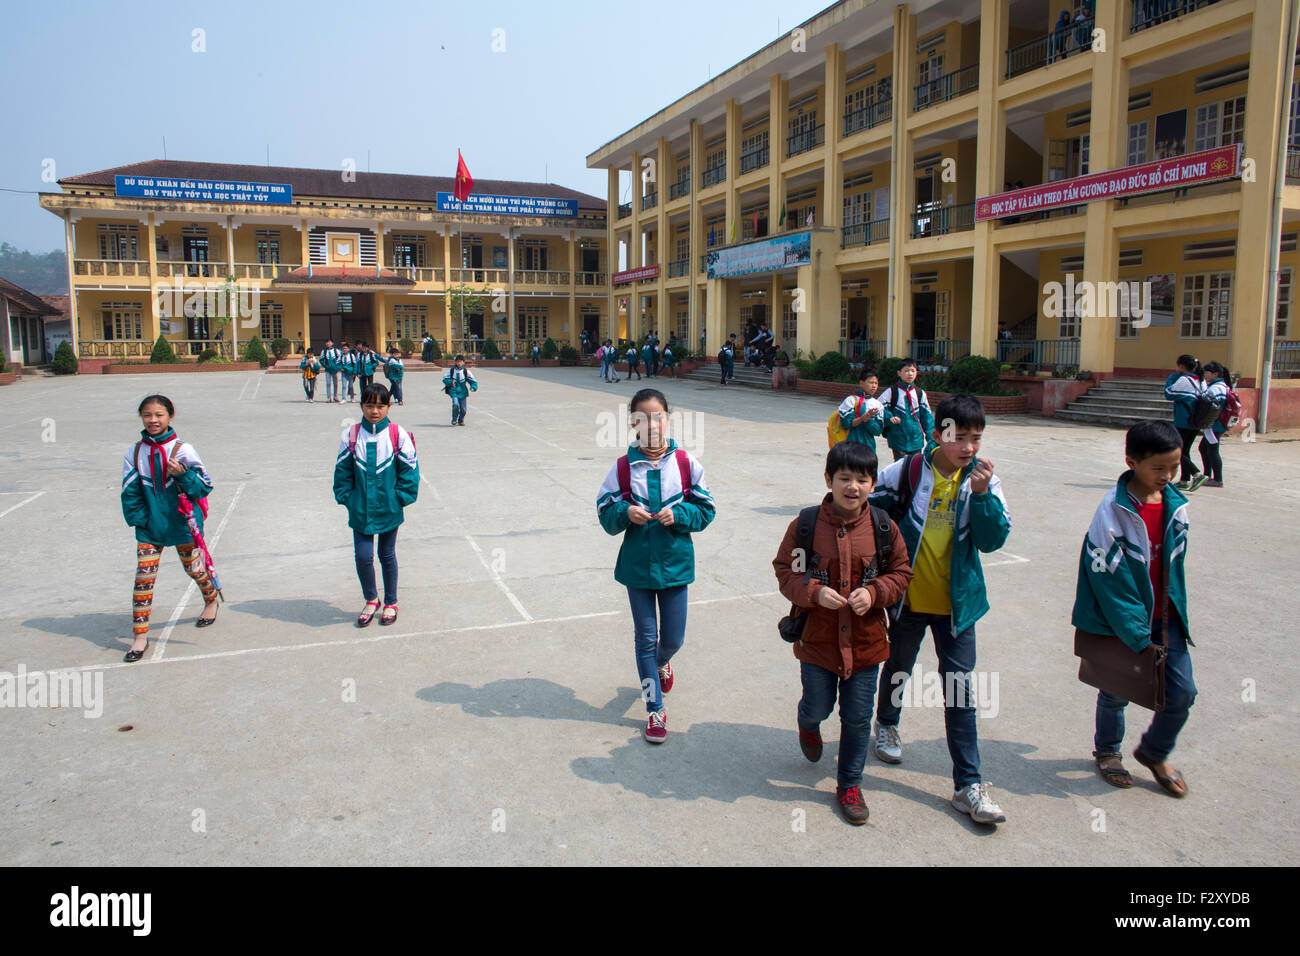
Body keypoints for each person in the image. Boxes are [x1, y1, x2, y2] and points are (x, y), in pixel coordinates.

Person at [869, 394, 1012, 825]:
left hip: (957, 606)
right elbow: (871, 517)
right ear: (937, 434)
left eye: (976, 438)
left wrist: (984, 497)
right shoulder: (908, 470)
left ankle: (968, 785)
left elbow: (992, 541)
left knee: (960, 690)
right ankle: (887, 723)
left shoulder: (983, 481)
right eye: (959, 437)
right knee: (898, 666)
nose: (969, 447)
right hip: (908, 599)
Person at [772, 441, 913, 824]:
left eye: (862, 479)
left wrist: (875, 591)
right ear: (828, 480)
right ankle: (807, 722)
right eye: (844, 478)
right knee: (819, 705)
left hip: (866, 646)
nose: (853, 487)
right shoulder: (806, 525)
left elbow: (901, 573)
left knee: (856, 717)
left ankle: (849, 783)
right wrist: (814, 592)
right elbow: (788, 571)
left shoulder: (884, 527)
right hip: (818, 643)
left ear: (872, 484)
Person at [1073, 420, 1195, 798]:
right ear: (1132, 462)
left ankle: (1154, 752)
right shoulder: (1112, 510)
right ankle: (1108, 749)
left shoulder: (1177, 506)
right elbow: (1110, 581)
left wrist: (1164, 621)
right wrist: (1136, 634)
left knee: (1183, 692)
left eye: (1174, 467)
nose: (1168, 475)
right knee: (1116, 689)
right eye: (1158, 468)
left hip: (1166, 618)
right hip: (1122, 623)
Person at [596, 388, 716, 744]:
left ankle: (663, 661)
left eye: (658, 416)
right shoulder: (621, 468)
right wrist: (625, 514)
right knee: (645, 639)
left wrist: (680, 514)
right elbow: (605, 514)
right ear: (632, 423)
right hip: (637, 567)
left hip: (676, 564)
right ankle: (654, 709)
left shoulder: (685, 464)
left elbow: (707, 509)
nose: (651, 424)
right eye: (642, 418)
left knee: (673, 639)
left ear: (668, 418)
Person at [121, 394, 220, 662]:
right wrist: (142, 520)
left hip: (183, 524)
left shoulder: (183, 450)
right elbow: (130, 494)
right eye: (147, 415)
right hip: (150, 527)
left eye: (159, 415)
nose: (153, 420)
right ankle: (140, 637)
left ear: (170, 416)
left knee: (193, 568)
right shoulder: (134, 453)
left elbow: (204, 487)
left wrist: (183, 475)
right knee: (144, 578)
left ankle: (211, 599)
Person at [334, 383, 419, 628]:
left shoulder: (397, 433)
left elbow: (410, 471)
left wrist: (399, 498)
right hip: (360, 508)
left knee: (386, 554)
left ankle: (391, 601)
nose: (375, 411)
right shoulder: (351, 435)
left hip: (389, 507)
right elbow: (342, 472)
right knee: (363, 557)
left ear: (388, 406)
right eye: (370, 405)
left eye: (380, 406)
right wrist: (347, 498)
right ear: (362, 406)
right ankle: (372, 599)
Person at [879, 359, 935, 462]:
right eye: (906, 371)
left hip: (916, 440)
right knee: (901, 468)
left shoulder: (920, 394)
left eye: (913, 371)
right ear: (899, 373)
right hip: (898, 439)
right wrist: (889, 417)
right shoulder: (891, 392)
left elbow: (927, 418)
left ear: (917, 373)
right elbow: (879, 409)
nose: (910, 374)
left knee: (915, 467)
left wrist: (931, 438)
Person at [1164, 354, 1206, 491]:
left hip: (1184, 421)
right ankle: (1184, 480)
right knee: (1185, 449)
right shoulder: (1201, 380)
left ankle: (1196, 473)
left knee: (1176, 450)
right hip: (1196, 421)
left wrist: (1171, 378)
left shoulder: (1184, 380)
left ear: (1181, 366)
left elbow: (1168, 393)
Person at [1196, 361, 1231, 487]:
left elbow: (1212, 406)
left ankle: (1217, 479)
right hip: (1217, 424)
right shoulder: (1222, 386)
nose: (1205, 375)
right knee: (1204, 448)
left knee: (1212, 450)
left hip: (1214, 424)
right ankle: (1208, 476)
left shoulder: (1216, 388)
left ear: (1215, 374)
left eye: (1207, 372)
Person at [839, 368, 886, 451]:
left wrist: (869, 421)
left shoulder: (877, 405)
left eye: (876, 383)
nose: (874, 386)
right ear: (861, 383)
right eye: (871, 382)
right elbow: (846, 424)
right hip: (850, 444)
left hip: (869, 446)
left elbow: (878, 431)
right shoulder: (850, 400)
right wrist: (862, 419)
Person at [442, 354, 478, 426]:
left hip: (463, 390)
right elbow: (445, 379)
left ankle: (461, 420)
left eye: (461, 361)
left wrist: (473, 387)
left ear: (463, 362)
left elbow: (473, 381)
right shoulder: (451, 371)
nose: (459, 363)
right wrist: (451, 382)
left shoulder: (466, 371)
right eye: (457, 361)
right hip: (454, 390)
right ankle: (454, 419)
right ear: (455, 362)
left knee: (463, 409)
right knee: (455, 404)